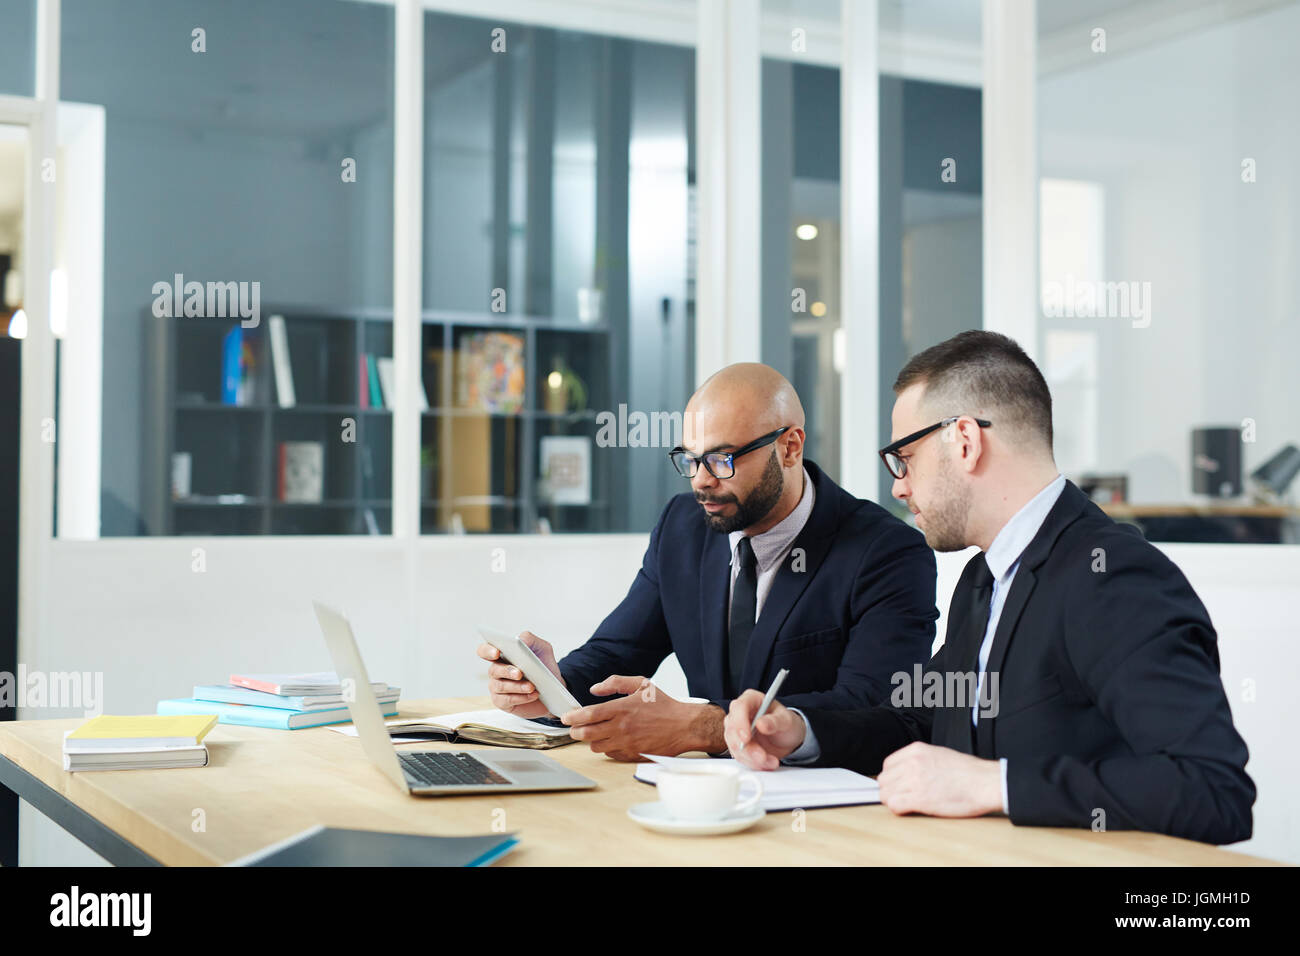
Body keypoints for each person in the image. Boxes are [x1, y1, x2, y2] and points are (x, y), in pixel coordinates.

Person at [725, 331, 1254, 844]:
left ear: (965, 441)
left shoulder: (1112, 575)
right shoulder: (984, 577)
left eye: (903, 458)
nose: (897, 485)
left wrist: (992, 783)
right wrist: (799, 729)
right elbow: (921, 718)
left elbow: (1213, 790)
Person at [478, 362, 938, 761]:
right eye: (691, 459)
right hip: (693, 793)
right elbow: (619, 650)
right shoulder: (683, 527)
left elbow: (876, 708)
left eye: (721, 459)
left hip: (824, 810)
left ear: (790, 447)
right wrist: (550, 685)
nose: (700, 481)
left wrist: (702, 728)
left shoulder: (885, 551)